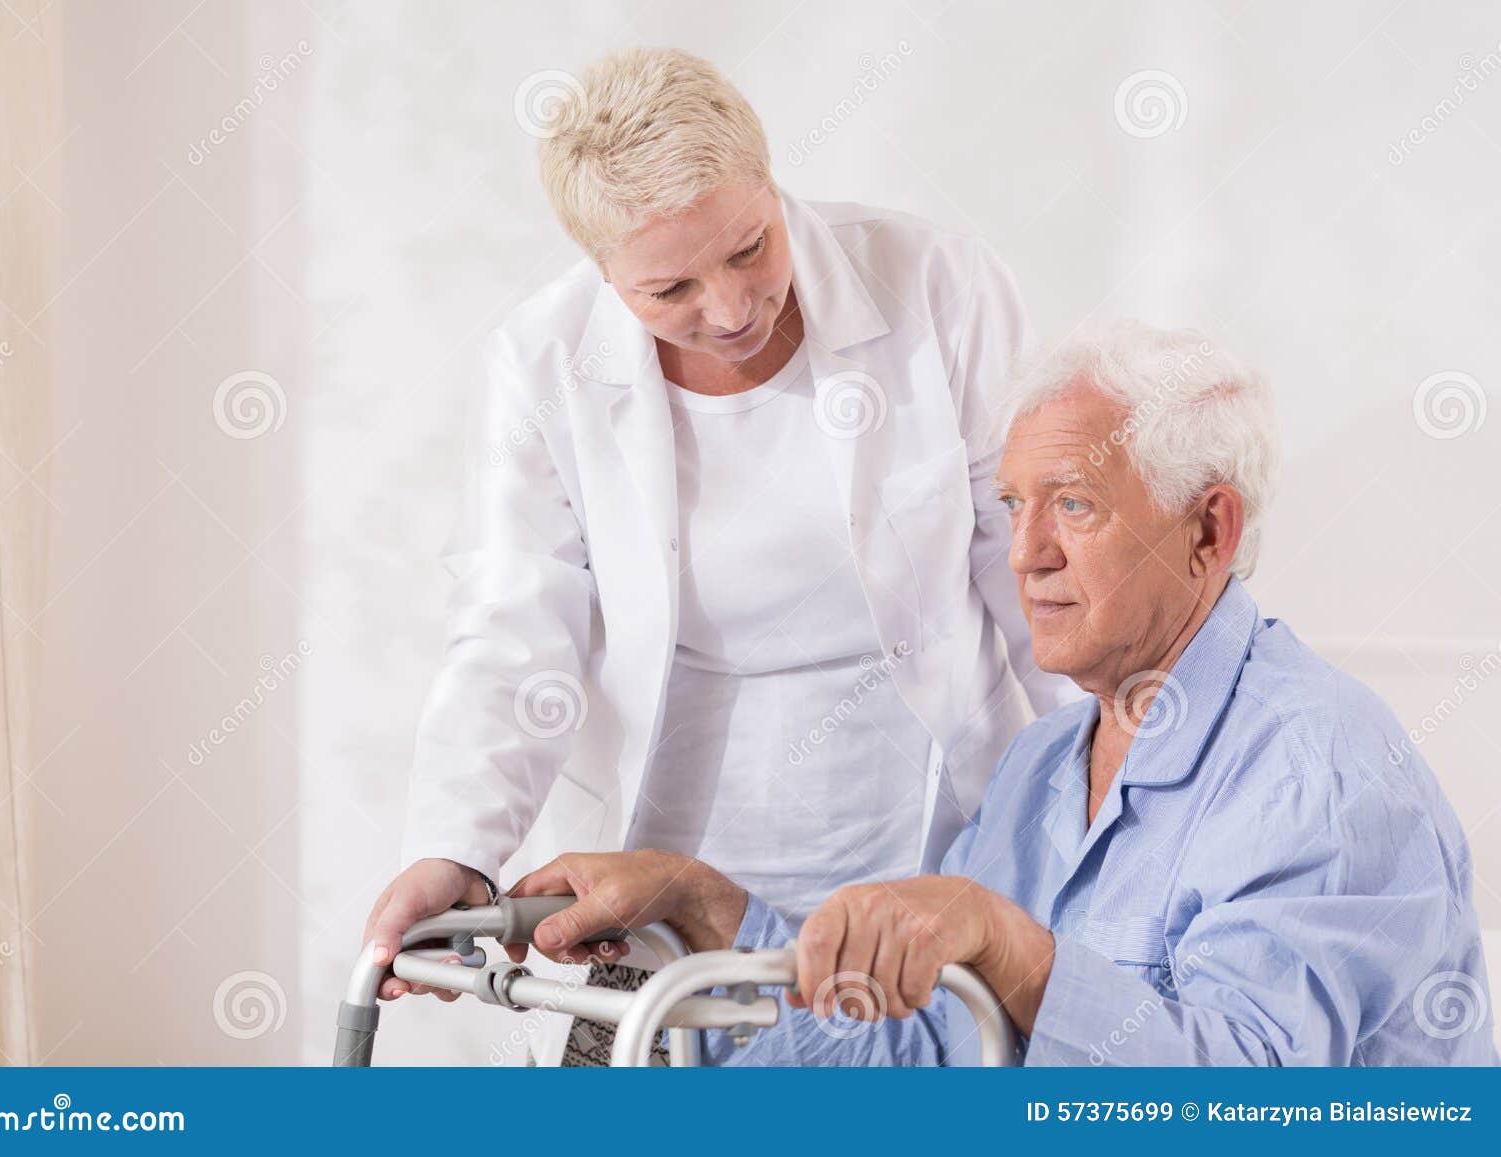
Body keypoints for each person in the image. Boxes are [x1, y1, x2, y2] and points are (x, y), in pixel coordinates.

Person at [511, 321, 1498, 1065]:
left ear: (1209, 530)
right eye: (1015, 505)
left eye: (1074, 503)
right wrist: (700, 907)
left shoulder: (1314, 768)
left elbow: (1249, 1106)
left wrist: (1012, 950)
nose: (1026, 554)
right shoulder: (1043, 763)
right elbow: (927, 1052)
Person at [361, 46, 1076, 1063]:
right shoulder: (543, 362)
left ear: (771, 181)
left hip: (925, 867)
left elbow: (1042, 578)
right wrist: (454, 849)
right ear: (605, 274)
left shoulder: (937, 286)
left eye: (750, 248)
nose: (733, 308)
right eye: (670, 288)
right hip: (663, 902)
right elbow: (513, 633)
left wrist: (1115, 825)